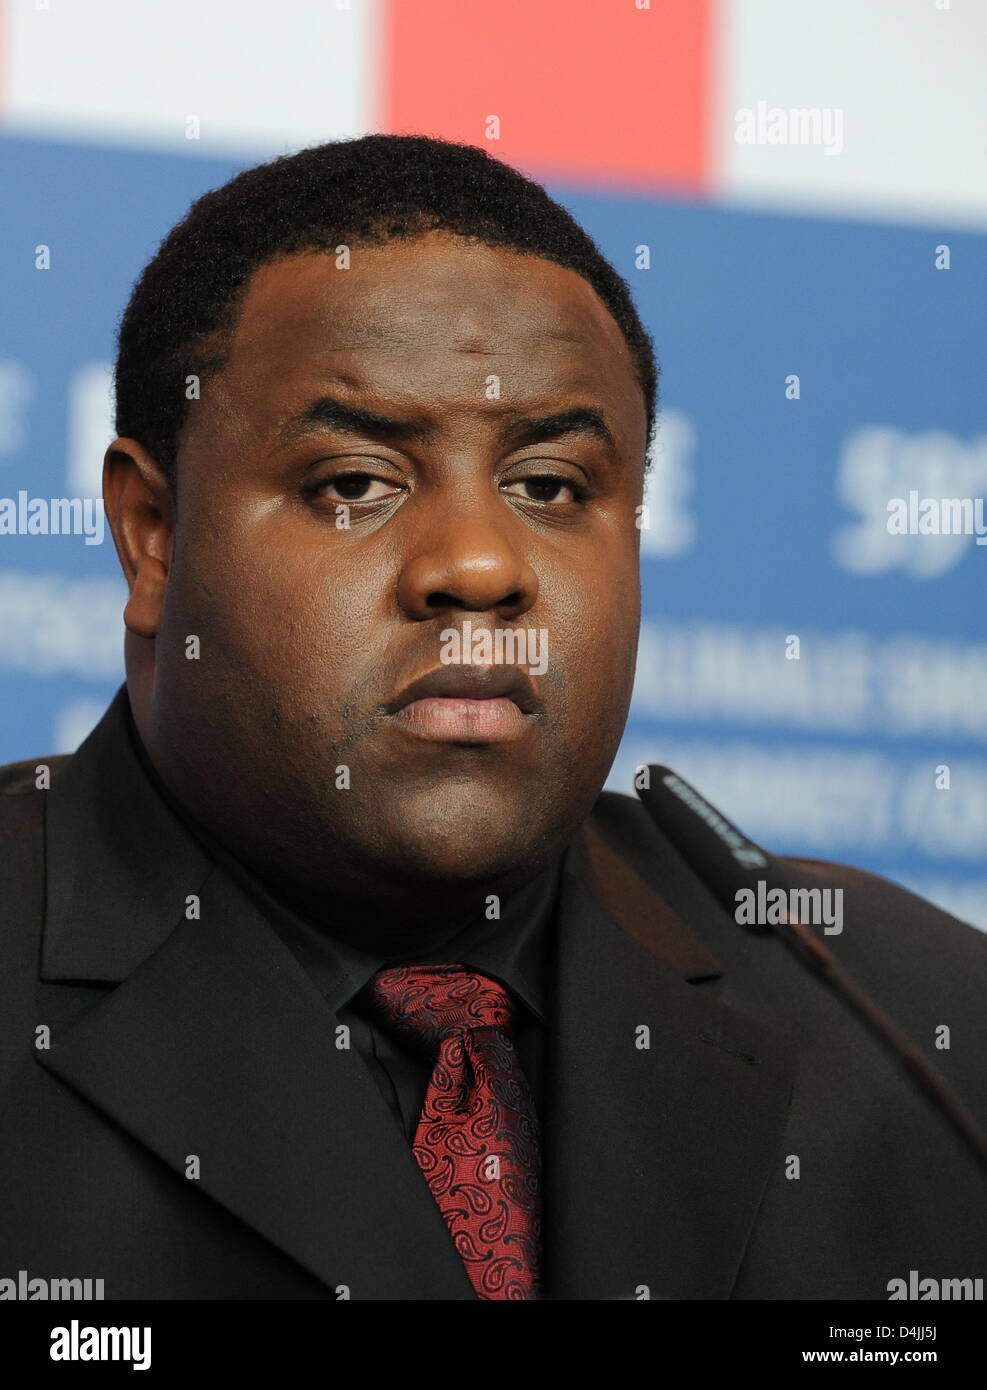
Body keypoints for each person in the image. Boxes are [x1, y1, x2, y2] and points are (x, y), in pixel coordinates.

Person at [0, 135, 983, 1302]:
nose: (478, 564)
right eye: (354, 483)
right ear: (153, 532)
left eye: (550, 487)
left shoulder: (913, 1021)